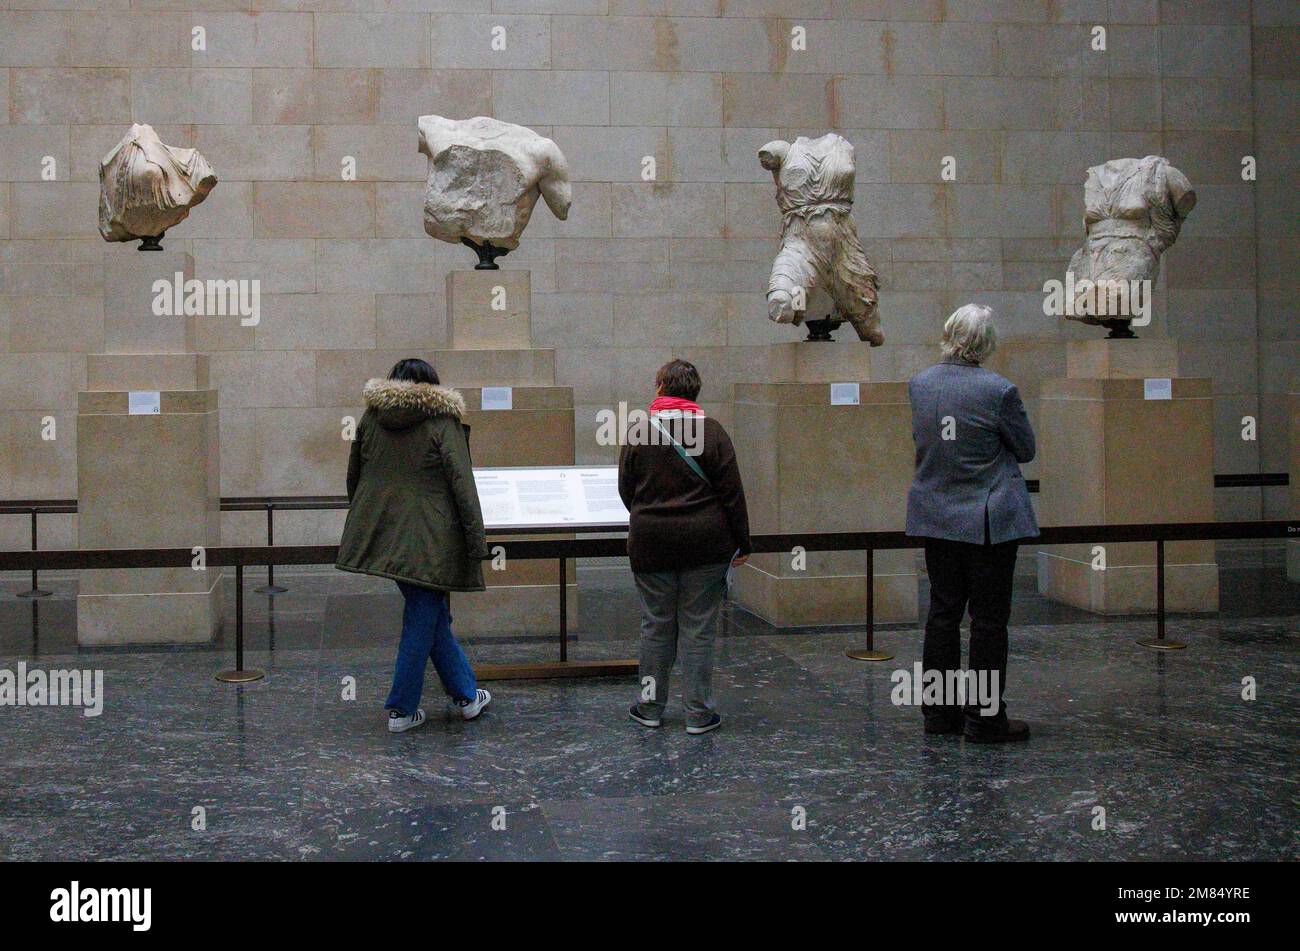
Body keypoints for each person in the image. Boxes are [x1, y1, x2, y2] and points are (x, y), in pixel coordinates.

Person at [336, 358, 493, 733]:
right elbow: (462, 485)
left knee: (431, 614)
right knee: (423, 617)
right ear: (433, 387)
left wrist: (366, 522)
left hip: (384, 533)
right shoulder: (442, 421)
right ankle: (402, 709)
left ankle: (467, 695)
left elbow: (354, 476)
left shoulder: (371, 419)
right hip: (431, 538)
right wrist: (476, 541)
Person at [905, 305, 1039, 743]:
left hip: (937, 516)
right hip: (987, 521)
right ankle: (984, 718)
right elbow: (1025, 449)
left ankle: (938, 716)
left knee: (942, 615)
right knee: (987, 621)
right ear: (985, 343)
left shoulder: (920, 385)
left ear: (948, 335)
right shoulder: (999, 390)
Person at [618, 359, 752, 735]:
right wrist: (743, 542)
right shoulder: (713, 433)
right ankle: (698, 713)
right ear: (695, 391)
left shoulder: (639, 433)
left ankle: (649, 707)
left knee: (656, 627)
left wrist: (652, 519)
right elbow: (732, 494)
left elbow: (626, 490)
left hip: (651, 545)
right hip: (705, 547)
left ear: (660, 388)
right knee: (698, 629)